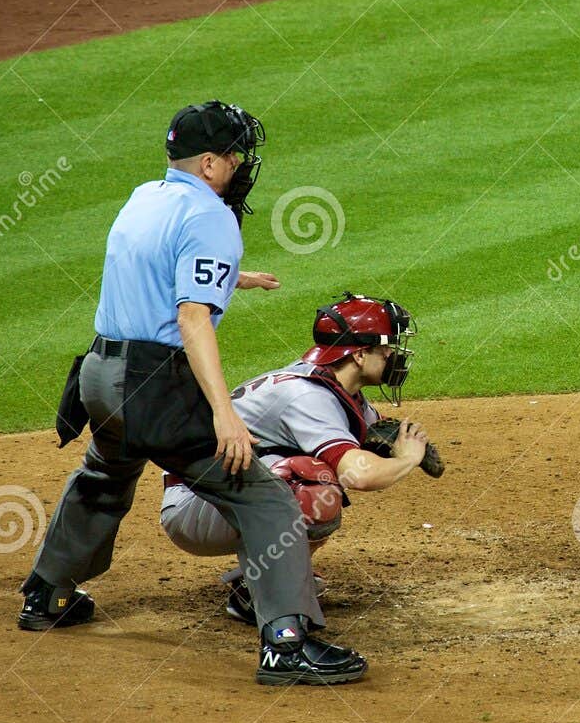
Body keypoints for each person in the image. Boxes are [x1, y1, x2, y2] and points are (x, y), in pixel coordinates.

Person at [21, 100, 368, 686]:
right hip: (156, 384)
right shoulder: (212, 217)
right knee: (265, 499)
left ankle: (46, 594)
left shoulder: (144, 197)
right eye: (233, 155)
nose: (240, 165)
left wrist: (236, 275)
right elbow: (191, 318)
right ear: (208, 162)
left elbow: (150, 270)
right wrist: (224, 414)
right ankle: (287, 644)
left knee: (105, 473)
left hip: (100, 377)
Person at [159, 293, 431, 625]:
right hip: (193, 504)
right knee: (313, 484)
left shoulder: (335, 388)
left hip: (225, 494)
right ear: (359, 355)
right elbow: (361, 475)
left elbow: (366, 441)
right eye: (386, 347)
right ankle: (260, 593)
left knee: (317, 473)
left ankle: (260, 581)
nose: (393, 354)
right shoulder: (308, 397)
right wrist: (407, 459)